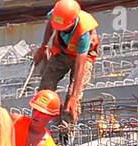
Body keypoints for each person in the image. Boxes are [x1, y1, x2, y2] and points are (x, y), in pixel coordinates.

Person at [34, 0, 100, 133]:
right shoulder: (58, 14)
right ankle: (49, 123)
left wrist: (74, 97)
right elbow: (51, 25)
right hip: (63, 51)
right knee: (45, 87)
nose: (59, 29)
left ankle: (66, 131)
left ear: (72, 23)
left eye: (62, 28)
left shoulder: (83, 34)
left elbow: (80, 66)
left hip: (83, 57)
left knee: (72, 98)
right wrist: (44, 46)